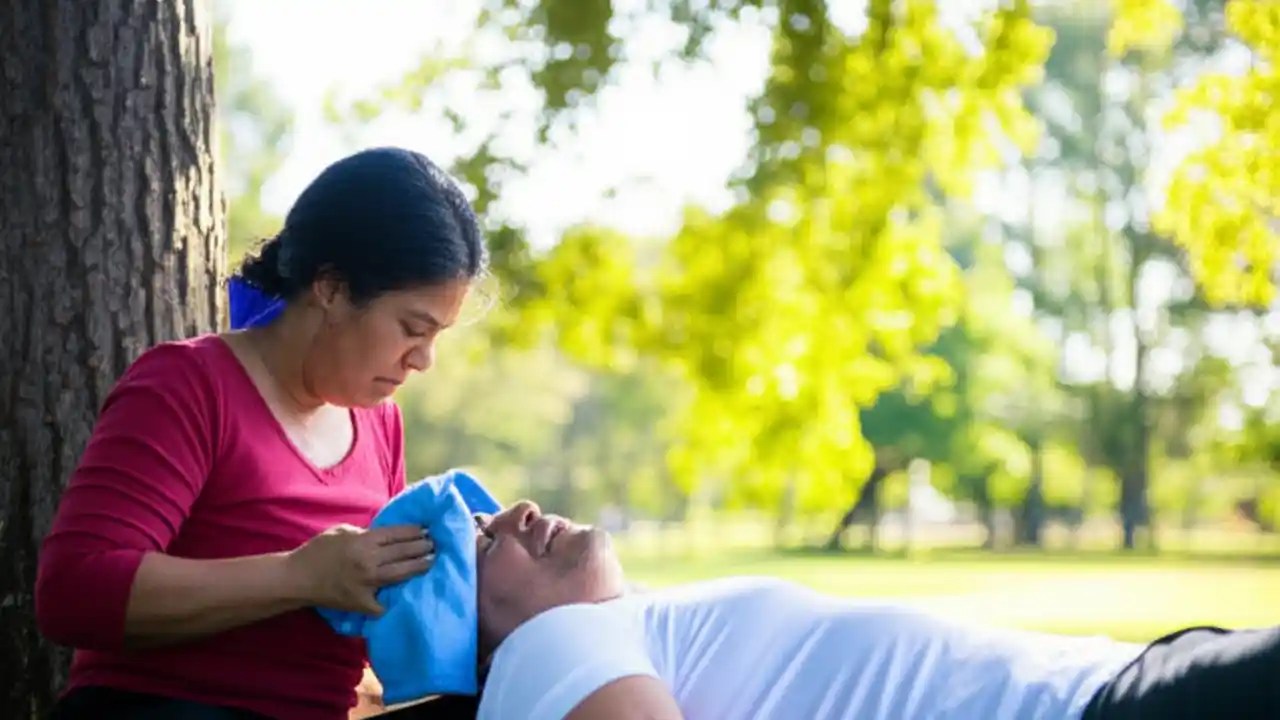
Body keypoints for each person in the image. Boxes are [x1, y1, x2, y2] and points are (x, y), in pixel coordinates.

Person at [36, 147, 489, 720]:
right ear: (332, 288)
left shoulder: (380, 424)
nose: (423, 360)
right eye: (412, 328)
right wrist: (298, 576)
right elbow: (73, 593)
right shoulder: (190, 384)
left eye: (436, 336)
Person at [471, 501, 1280, 720]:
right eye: (480, 540)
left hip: (1113, 681)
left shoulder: (624, 626)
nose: (519, 511)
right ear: (471, 634)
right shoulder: (542, 646)